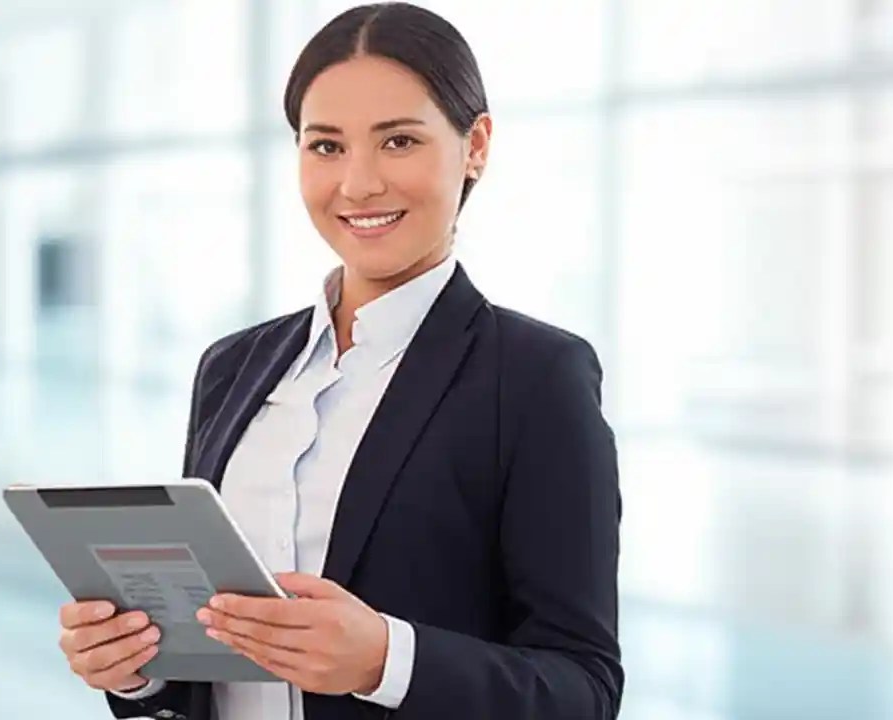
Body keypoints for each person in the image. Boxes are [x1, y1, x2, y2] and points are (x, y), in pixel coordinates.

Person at [56, 3, 622, 718]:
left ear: (474, 145)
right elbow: (208, 659)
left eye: (398, 142)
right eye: (326, 146)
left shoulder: (537, 378)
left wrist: (387, 660)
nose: (357, 185)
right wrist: (134, 669)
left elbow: (585, 690)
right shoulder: (232, 366)